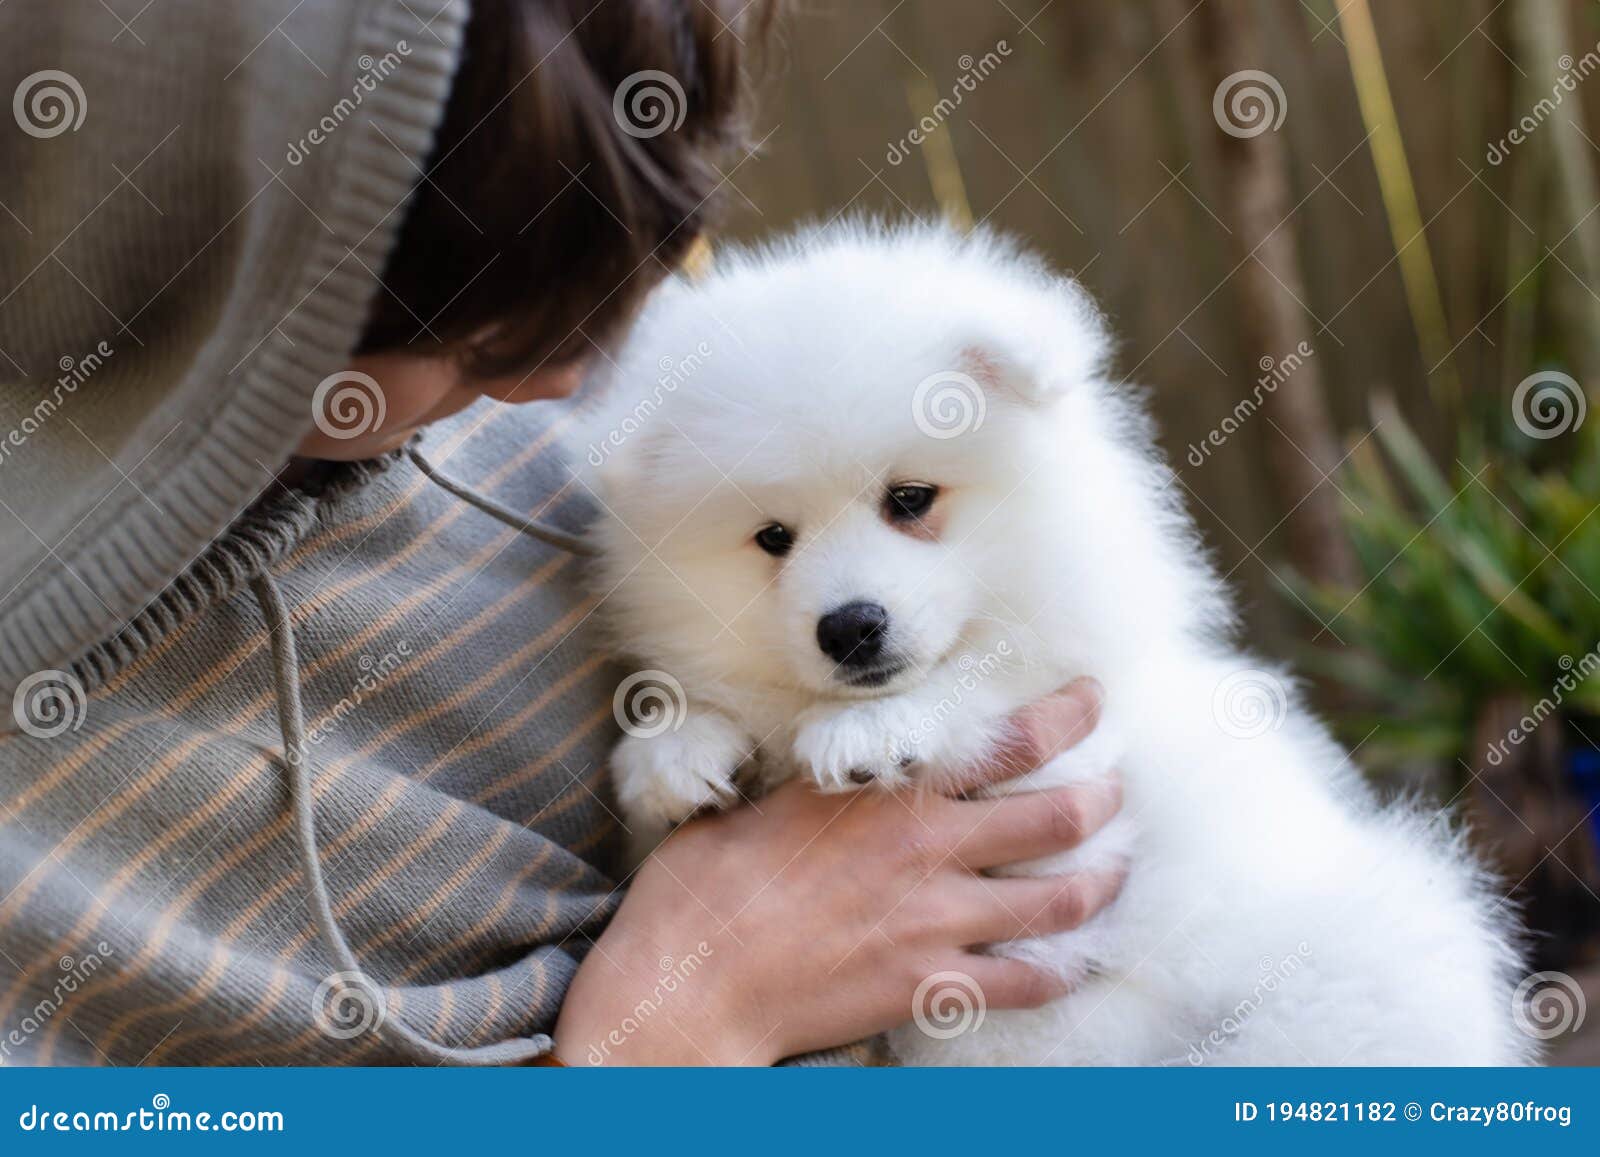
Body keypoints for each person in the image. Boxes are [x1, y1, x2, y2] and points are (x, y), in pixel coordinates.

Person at [0, 0, 1123, 1065]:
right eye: (473, 329)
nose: (569, 379)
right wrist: (681, 1026)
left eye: (616, 274)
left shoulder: (552, 438)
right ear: (181, 274)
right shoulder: (49, 847)